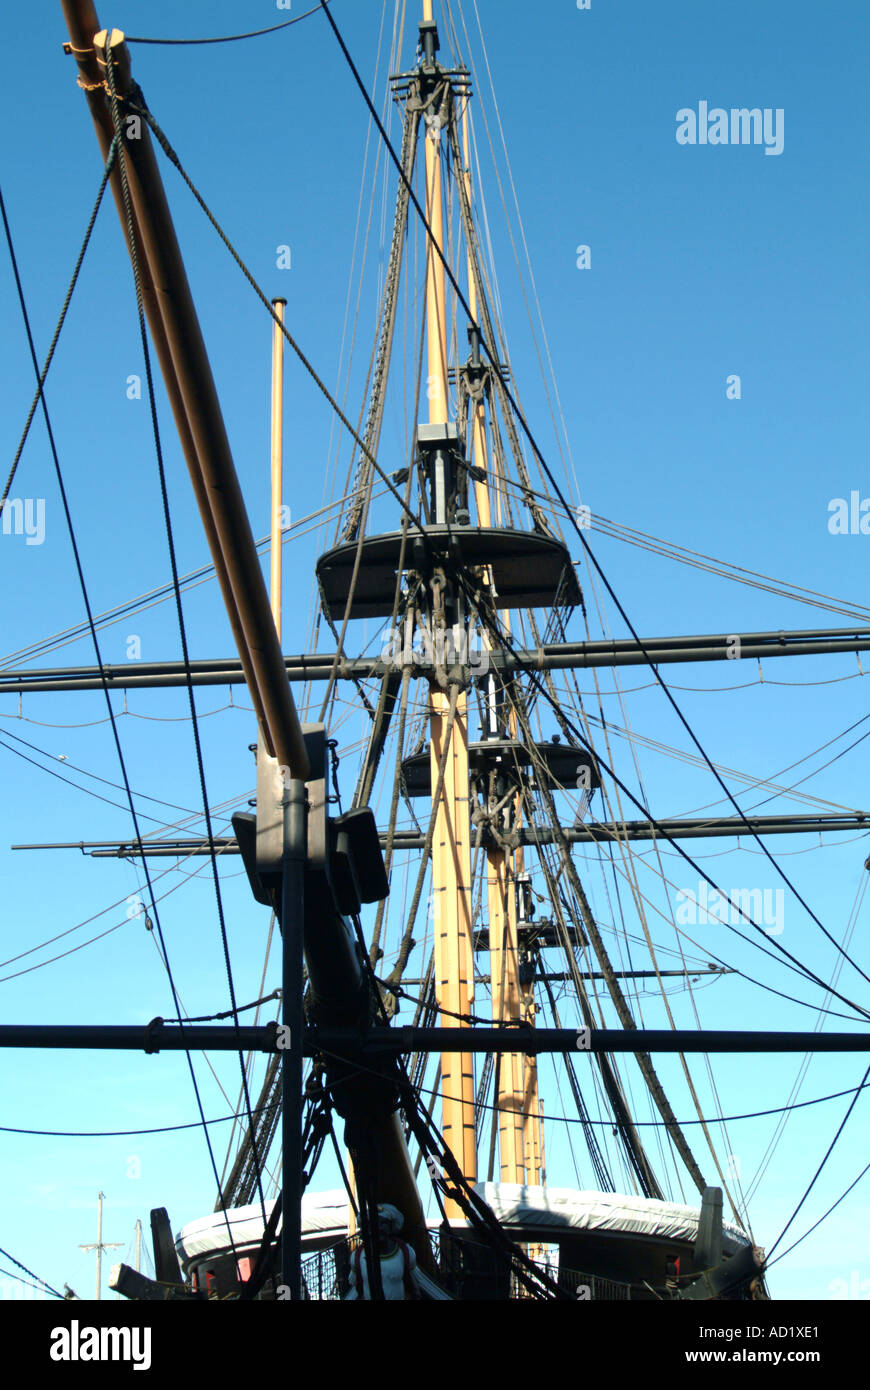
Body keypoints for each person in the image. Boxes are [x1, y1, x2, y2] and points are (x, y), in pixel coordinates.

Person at [345, 1204, 419, 1300]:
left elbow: (414, 1284)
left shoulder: (406, 1253)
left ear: (391, 1226)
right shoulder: (357, 1257)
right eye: (373, 1224)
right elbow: (356, 1285)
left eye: (383, 1223)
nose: (378, 1228)